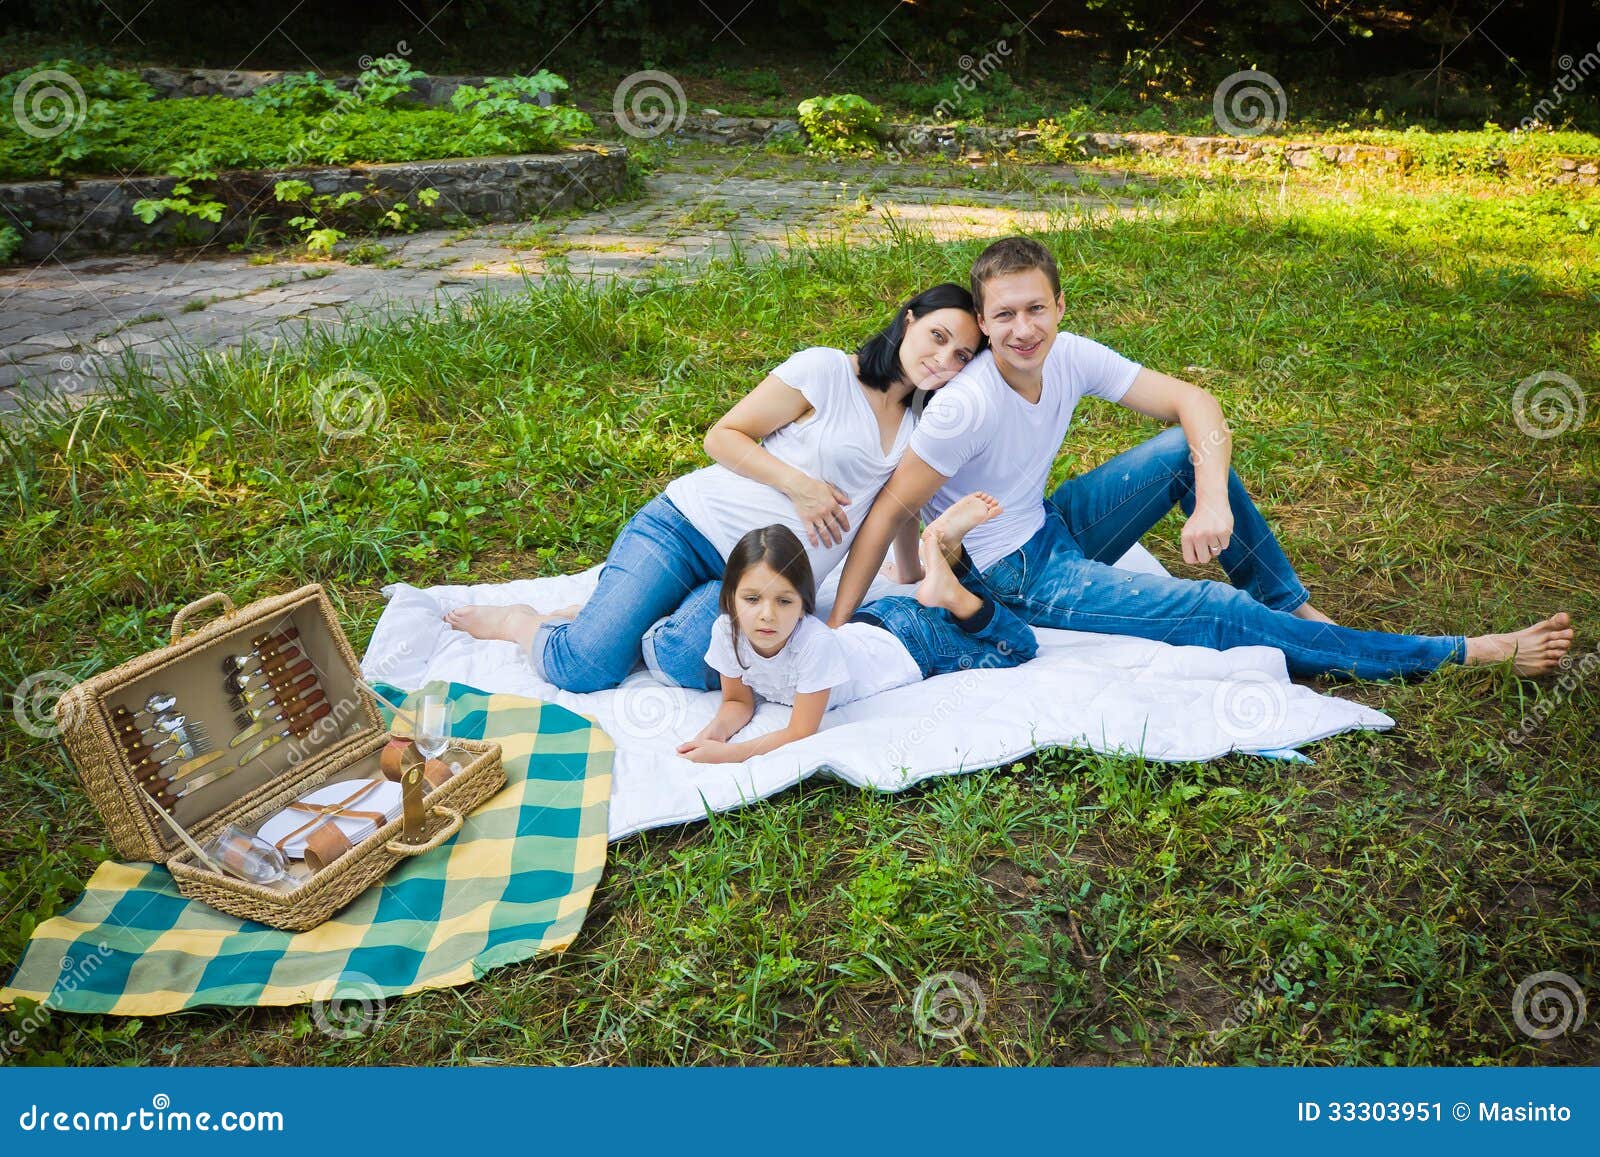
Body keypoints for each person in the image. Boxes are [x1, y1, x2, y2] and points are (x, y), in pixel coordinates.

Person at [824, 235, 1574, 679]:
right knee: (1211, 609)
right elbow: (893, 502)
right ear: (984, 328)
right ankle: (1458, 652)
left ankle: (1292, 607)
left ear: (1060, 306)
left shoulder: (1071, 352)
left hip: (1046, 522)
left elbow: (1197, 404)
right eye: (1004, 316)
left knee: (1185, 450)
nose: (1024, 329)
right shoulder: (967, 404)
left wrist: (1211, 497)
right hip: (1014, 571)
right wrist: (839, 628)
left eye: (1036, 309)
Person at [443, 283, 996, 692]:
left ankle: (628, 613)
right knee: (584, 669)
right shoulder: (827, 370)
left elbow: (894, 512)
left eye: (961, 356)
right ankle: (524, 621)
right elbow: (723, 436)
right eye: (937, 337)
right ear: (908, 320)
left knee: (687, 663)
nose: (943, 360)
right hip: (687, 530)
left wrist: (847, 615)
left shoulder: (923, 425)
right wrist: (800, 486)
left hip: (766, 577)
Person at [677, 513, 1036, 764]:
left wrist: (731, 755)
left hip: (914, 644)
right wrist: (713, 736)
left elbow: (801, 731)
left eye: (784, 601)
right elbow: (737, 703)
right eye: (752, 599)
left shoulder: (813, 643)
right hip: (874, 621)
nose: (767, 614)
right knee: (963, 621)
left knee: (1017, 646)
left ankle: (952, 577)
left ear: (804, 605)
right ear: (730, 598)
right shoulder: (727, 630)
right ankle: (946, 570)